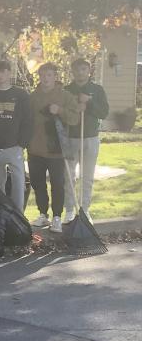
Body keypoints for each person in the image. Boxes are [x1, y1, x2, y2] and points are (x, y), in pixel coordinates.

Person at [28, 63, 80, 232]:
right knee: (38, 183)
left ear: (55, 76)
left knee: (57, 183)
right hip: (35, 147)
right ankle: (43, 214)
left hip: (56, 148)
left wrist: (60, 110)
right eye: (43, 75)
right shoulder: (32, 97)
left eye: (49, 75)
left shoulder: (65, 96)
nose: (46, 78)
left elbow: (74, 118)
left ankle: (57, 216)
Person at [0, 59, 33, 212]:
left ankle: (18, 213)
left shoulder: (20, 94)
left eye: (3, 71)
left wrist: (22, 144)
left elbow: (28, 120)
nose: (0, 75)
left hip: (14, 146)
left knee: (18, 182)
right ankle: (1, 211)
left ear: (9, 73)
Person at [63, 58, 109, 221]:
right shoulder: (67, 90)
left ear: (88, 71)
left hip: (91, 138)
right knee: (69, 176)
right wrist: (76, 106)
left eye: (83, 69)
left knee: (87, 176)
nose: (80, 72)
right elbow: (62, 113)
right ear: (72, 71)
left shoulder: (96, 90)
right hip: (71, 138)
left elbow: (104, 112)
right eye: (77, 69)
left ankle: (84, 209)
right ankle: (69, 209)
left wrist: (89, 102)